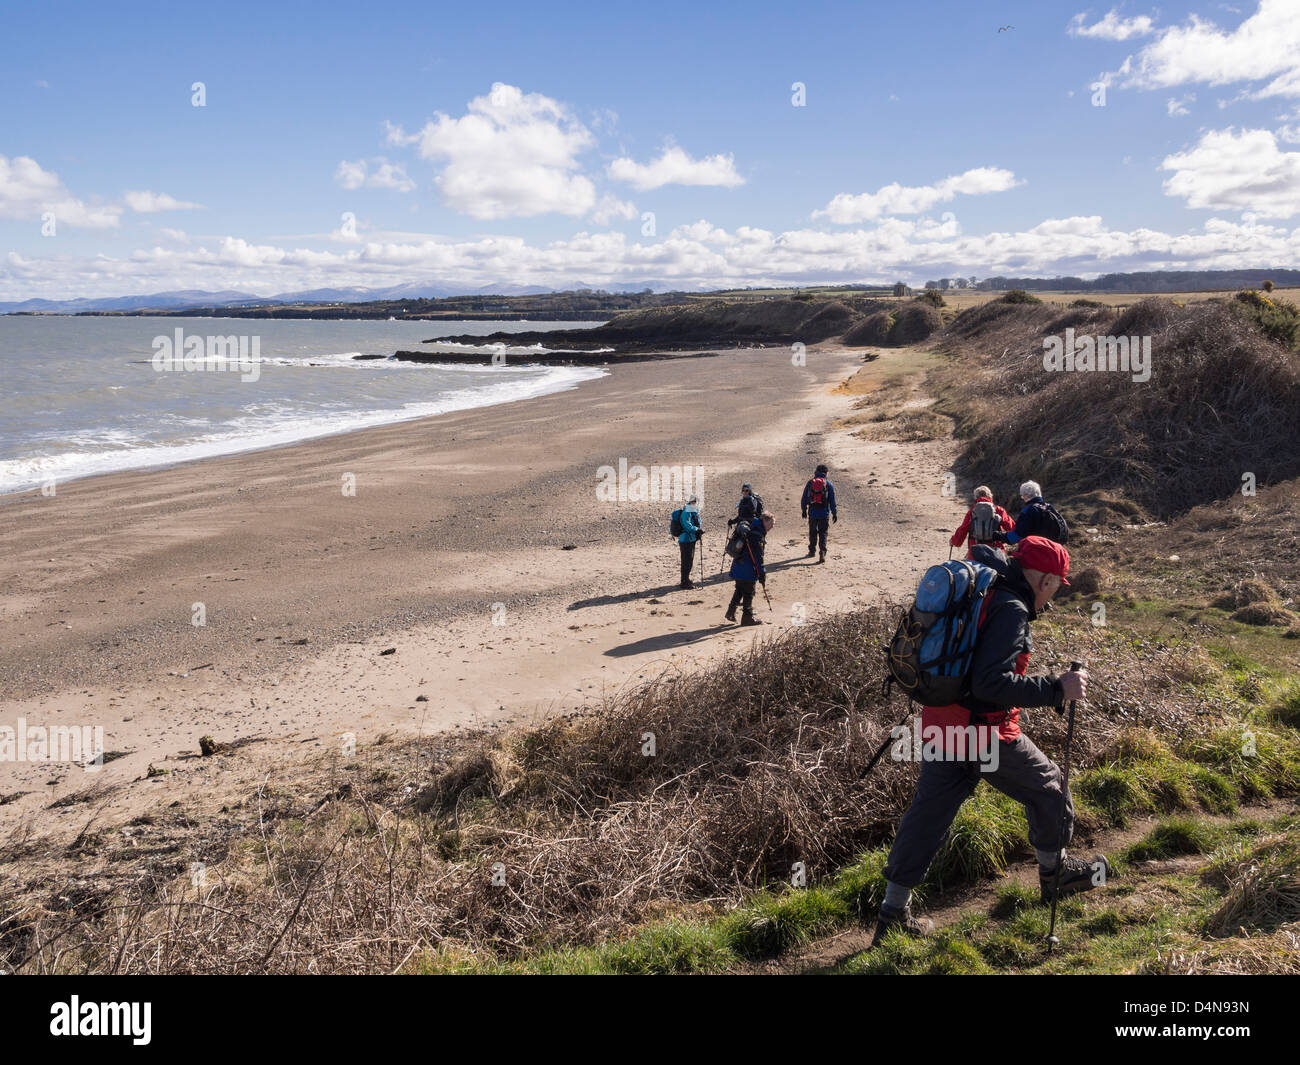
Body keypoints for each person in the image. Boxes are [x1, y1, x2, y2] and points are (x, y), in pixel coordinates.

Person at [871, 536, 1110, 946]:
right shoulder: (1011, 608)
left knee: (928, 818)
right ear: (1044, 579)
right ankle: (1056, 876)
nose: (1053, 595)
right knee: (1050, 788)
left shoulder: (983, 589)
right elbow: (991, 683)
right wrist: (1057, 688)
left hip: (940, 724)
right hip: (981, 732)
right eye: (1056, 584)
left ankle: (892, 913)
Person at [725, 513, 773, 626]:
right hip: (747, 569)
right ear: (765, 521)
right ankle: (747, 618)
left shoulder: (752, 528)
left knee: (739, 590)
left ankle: (730, 612)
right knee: (748, 593)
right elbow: (758, 557)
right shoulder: (756, 534)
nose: (772, 526)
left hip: (738, 567)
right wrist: (762, 573)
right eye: (771, 523)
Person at [950, 485, 1012, 557]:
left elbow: (963, 529)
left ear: (976, 497)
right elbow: (1011, 527)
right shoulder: (999, 510)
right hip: (996, 552)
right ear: (990, 496)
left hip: (975, 552)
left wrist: (954, 541)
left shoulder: (972, 511)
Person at [1002, 480, 1066, 545]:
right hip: (1054, 548)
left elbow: (1018, 535)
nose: (1023, 498)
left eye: (1022, 496)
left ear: (1026, 495)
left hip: (1036, 549)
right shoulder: (1050, 507)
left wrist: (999, 536)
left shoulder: (1029, 510)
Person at [800, 464, 838, 563]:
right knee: (823, 533)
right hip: (824, 513)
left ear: (816, 472)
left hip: (812, 512)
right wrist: (834, 513)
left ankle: (812, 551)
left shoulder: (810, 483)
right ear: (826, 473)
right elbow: (832, 501)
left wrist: (804, 510)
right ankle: (822, 552)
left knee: (812, 532)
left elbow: (804, 498)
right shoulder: (828, 484)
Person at [674, 495, 703, 589]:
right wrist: (696, 530)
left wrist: (698, 530)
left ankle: (686, 579)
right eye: (692, 501)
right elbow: (687, 525)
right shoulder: (687, 511)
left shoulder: (694, 511)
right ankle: (684, 582)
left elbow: (697, 522)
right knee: (686, 561)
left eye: (695, 501)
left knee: (689, 560)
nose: (694, 503)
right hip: (685, 539)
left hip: (691, 539)